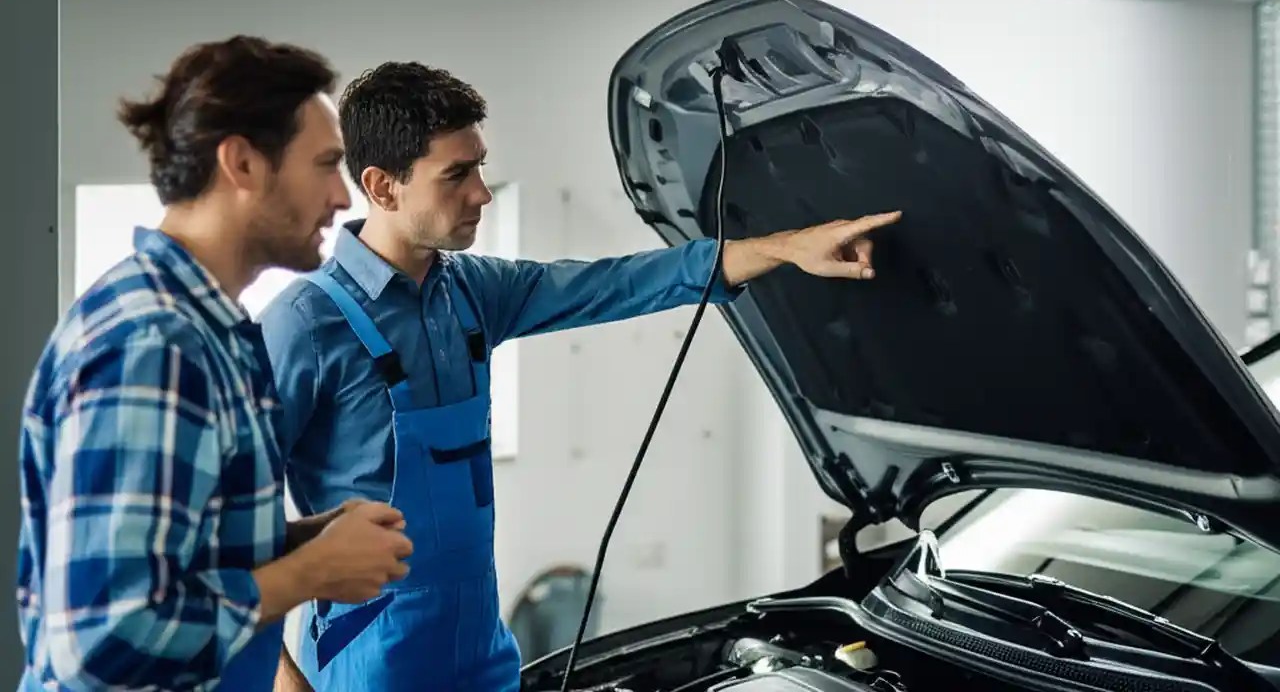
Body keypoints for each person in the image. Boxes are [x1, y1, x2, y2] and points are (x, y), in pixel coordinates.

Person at [260, 61, 902, 692]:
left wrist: (788, 247)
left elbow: (619, 284)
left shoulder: (472, 291)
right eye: (456, 174)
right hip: (369, 660)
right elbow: (227, 532)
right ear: (381, 186)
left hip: (480, 648)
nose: (481, 192)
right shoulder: (306, 325)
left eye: (479, 166)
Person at [15, 36, 416, 692]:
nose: (344, 199)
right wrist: (311, 575)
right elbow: (103, 638)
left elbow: (178, 556)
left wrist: (306, 540)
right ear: (243, 163)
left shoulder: (215, 331)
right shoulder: (156, 345)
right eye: (324, 165)